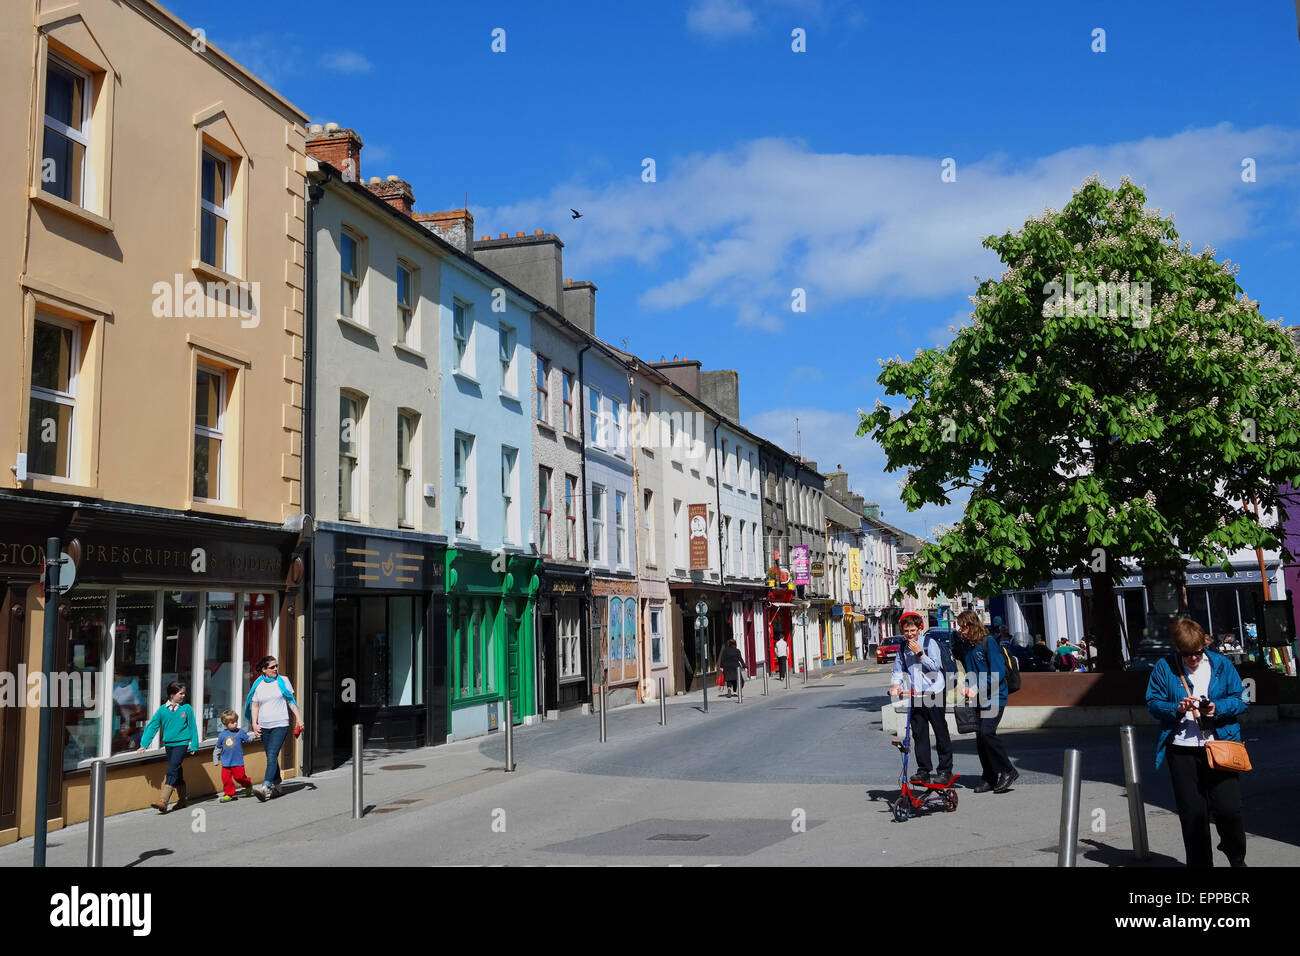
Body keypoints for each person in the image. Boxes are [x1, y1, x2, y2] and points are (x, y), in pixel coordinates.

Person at [1145, 617, 1249, 867]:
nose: (1193, 658)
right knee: (1193, 814)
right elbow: (1153, 703)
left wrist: (1217, 707)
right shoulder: (1164, 667)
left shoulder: (1222, 665)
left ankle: (1236, 856)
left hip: (1221, 746)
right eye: (1186, 654)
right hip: (1182, 750)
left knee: (1229, 810)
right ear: (1177, 649)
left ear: (1205, 644)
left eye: (1197, 652)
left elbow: (1242, 698)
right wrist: (1176, 708)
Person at [888, 611, 952, 785]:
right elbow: (898, 670)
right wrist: (896, 685)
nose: (909, 634)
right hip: (916, 693)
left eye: (913, 630)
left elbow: (935, 666)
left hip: (934, 692)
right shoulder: (902, 647)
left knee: (940, 731)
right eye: (906, 631)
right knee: (919, 733)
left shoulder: (929, 643)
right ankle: (924, 770)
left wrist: (920, 654)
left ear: (919, 628)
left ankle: (945, 770)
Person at [957, 611, 1017, 793]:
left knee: (987, 733)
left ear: (972, 625)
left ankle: (1008, 770)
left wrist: (978, 687)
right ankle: (989, 777)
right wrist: (968, 686)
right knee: (980, 739)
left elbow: (998, 673)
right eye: (960, 627)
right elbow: (970, 672)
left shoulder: (988, 642)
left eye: (964, 626)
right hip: (978, 698)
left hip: (995, 696)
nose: (961, 630)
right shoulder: (967, 646)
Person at [245, 656, 304, 801]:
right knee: (270, 756)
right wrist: (254, 723)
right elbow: (255, 705)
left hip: (280, 724)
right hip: (264, 726)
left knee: (272, 755)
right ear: (264, 670)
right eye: (272, 667)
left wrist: (299, 719)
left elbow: (291, 701)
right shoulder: (258, 684)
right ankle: (278, 786)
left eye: (276, 666)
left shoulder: (283, 681)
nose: (276, 669)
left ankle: (265, 786)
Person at [139, 681, 199, 813]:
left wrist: (194, 744)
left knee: (172, 769)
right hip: (169, 745)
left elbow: (193, 727)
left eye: (184, 693)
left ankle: (163, 801)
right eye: (180, 693)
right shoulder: (162, 710)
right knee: (177, 770)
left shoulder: (187, 708)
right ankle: (183, 800)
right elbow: (153, 726)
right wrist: (144, 744)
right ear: (172, 695)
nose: (183, 696)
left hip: (182, 743)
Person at [213, 709, 259, 802]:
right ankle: (229, 794)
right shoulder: (222, 735)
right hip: (226, 762)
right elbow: (218, 748)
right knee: (226, 779)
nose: (235, 724)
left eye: (236, 721)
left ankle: (248, 784)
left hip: (237, 761)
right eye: (232, 722)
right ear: (226, 724)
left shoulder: (240, 732)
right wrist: (215, 759)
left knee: (239, 777)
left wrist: (255, 735)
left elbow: (247, 739)